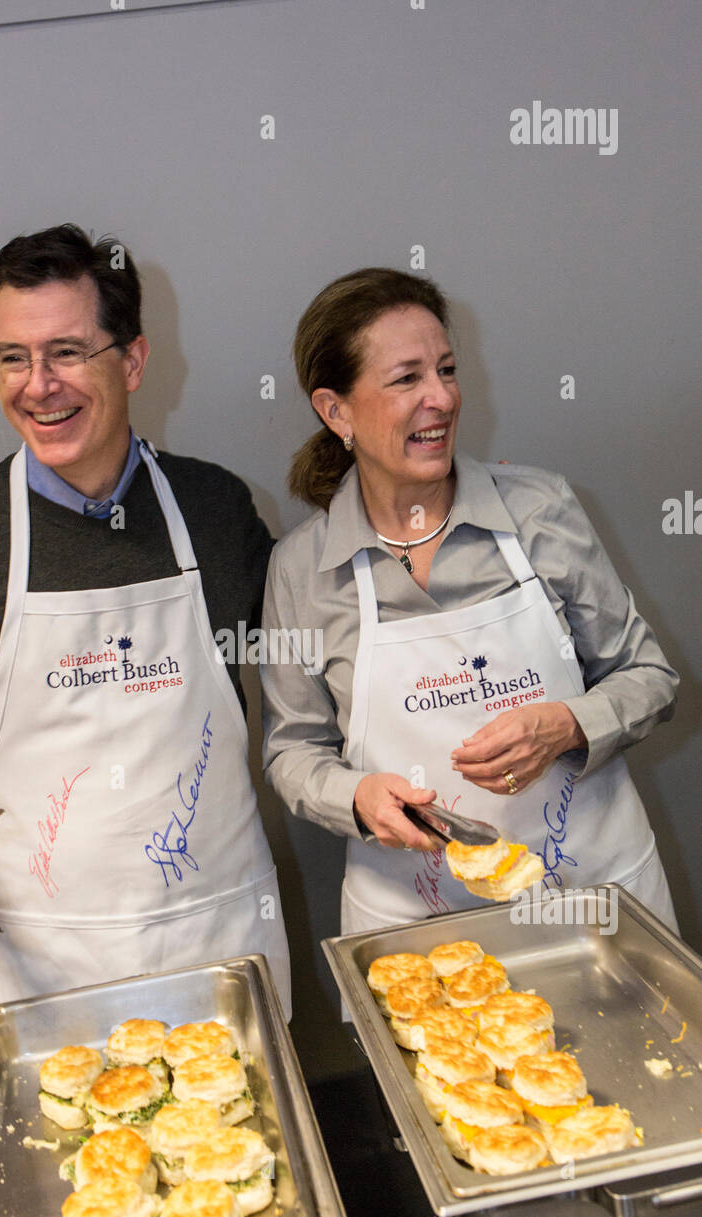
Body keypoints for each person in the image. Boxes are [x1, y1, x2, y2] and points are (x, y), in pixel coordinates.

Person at [0, 223, 291, 1013]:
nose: (38, 384)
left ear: (132, 359)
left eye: (67, 352)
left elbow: (315, 665)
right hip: (44, 968)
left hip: (221, 947)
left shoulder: (217, 513)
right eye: (13, 357)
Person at [260, 267, 678, 937]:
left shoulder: (542, 511)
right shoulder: (302, 570)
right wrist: (356, 796)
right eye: (407, 379)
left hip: (591, 906)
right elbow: (294, 750)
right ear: (336, 410)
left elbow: (652, 678)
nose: (443, 399)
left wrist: (567, 725)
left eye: (447, 371)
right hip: (415, 932)